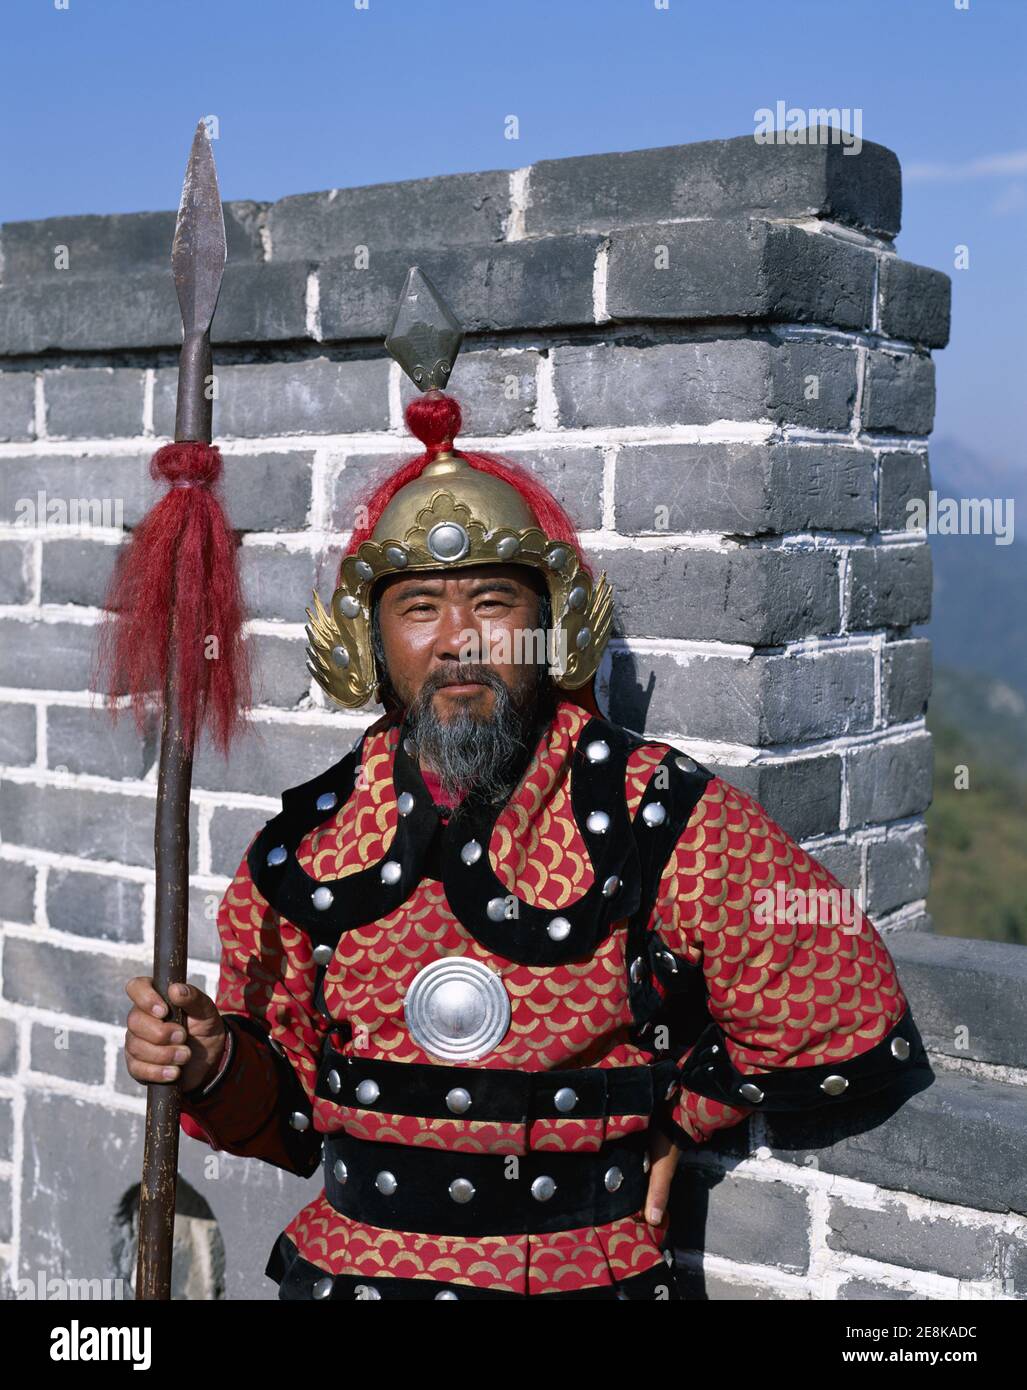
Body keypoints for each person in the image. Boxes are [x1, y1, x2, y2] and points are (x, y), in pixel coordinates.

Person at [123, 268, 934, 1300]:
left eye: (494, 601)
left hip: (576, 1278)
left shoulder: (651, 813)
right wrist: (207, 1063)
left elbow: (841, 1009)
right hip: (349, 1279)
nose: (458, 641)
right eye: (419, 607)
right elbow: (285, 1117)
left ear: (549, 625)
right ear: (372, 639)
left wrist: (674, 1112)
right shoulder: (306, 846)